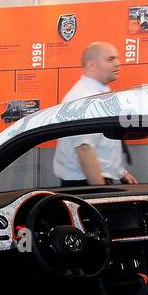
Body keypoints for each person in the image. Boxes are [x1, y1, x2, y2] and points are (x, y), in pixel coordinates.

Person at [52, 42, 136, 187]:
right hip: (86, 185)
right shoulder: (82, 99)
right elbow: (84, 150)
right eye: (110, 59)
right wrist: (101, 194)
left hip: (95, 181)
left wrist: (121, 173)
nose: (118, 63)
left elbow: (103, 143)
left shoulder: (98, 95)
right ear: (92, 65)